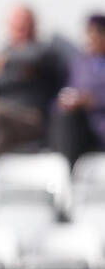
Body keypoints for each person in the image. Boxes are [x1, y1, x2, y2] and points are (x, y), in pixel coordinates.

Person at [0, 4, 67, 166]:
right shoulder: (2, 51)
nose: (21, 30)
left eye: (24, 25)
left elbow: (34, 60)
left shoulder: (46, 50)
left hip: (33, 119)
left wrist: (5, 65)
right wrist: (17, 72)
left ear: (33, 25)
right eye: (17, 25)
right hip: (3, 122)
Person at [50, 13, 105, 165]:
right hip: (81, 126)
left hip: (101, 122)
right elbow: (65, 90)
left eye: (96, 34)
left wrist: (92, 100)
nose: (91, 39)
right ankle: (68, 172)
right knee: (64, 118)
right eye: (89, 34)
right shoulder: (79, 64)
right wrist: (65, 103)